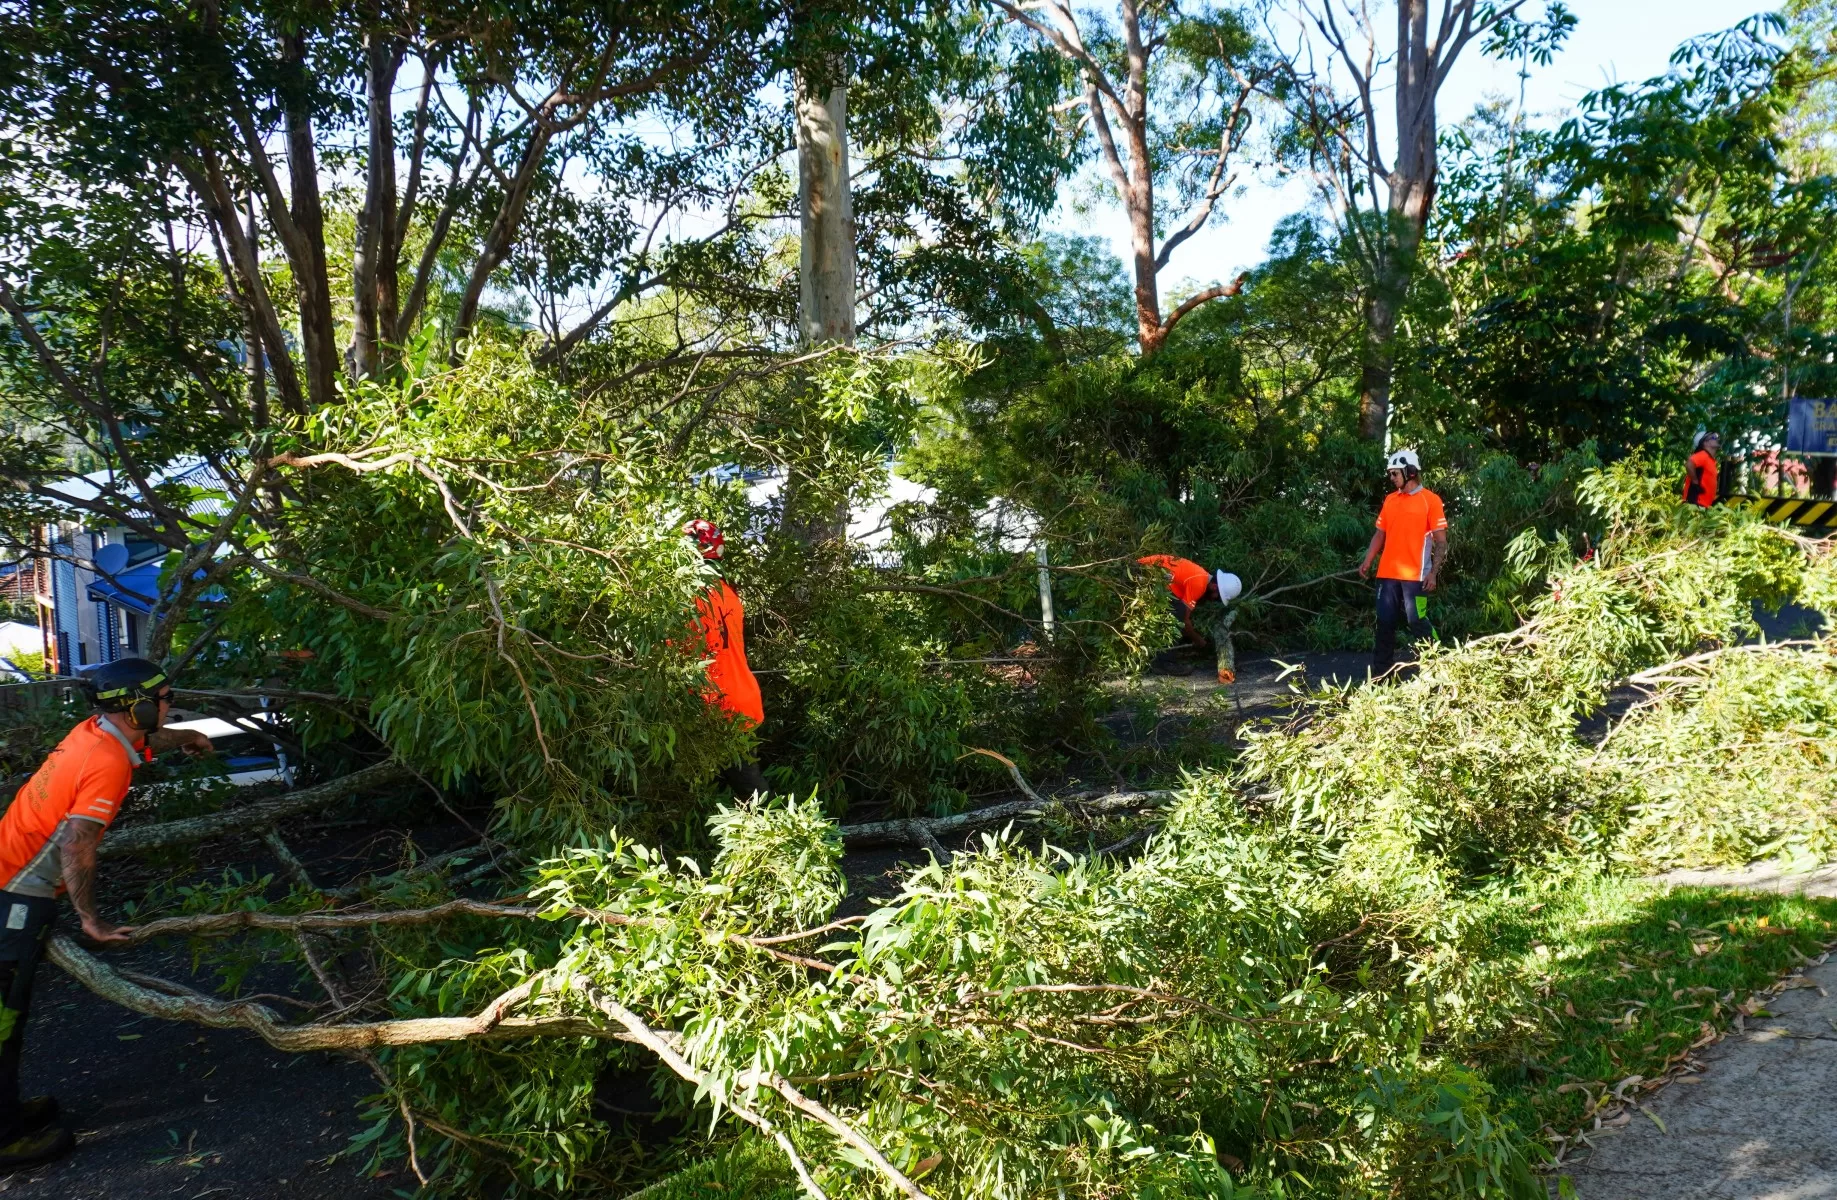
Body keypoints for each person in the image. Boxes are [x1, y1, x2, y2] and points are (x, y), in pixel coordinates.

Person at [0, 657, 210, 1169]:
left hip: (7, 876)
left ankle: (5, 1111)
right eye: (163, 700)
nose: (170, 704)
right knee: (2, 1017)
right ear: (137, 707)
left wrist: (184, 736)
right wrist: (90, 919)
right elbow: (77, 845)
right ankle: (3, 1140)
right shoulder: (107, 763)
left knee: (14, 1014)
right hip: (14, 897)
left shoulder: (96, 731)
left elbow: (144, 742)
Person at [684, 520, 766, 796]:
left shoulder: (686, 599)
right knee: (747, 786)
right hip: (742, 699)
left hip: (709, 706)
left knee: (733, 790)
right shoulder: (728, 593)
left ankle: (778, 834)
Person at [1358, 449, 1449, 678]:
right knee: (1385, 625)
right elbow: (1380, 534)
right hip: (1387, 575)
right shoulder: (1390, 500)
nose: (1391, 478)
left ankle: (1442, 664)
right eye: (1390, 474)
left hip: (1416, 577)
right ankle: (1381, 677)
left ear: (1409, 471)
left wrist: (1433, 573)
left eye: (1394, 473)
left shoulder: (1431, 500)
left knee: (1416, 621)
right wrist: (1368, 561)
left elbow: (1441, 542)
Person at [1137, 554, 1244, 683]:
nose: (1214, 599)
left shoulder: (1201, 576)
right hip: (1143, 574)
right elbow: (1184, 622)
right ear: (1215, 587)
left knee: (1177, 607)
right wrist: (1199, 641)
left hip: (1151, 576)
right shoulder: (1199, 584)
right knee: (1179, 613)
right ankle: (1164, 663)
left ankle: (1156, 653)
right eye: (1217, 597)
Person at [1682, 431, 1720, 507]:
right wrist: (1695, 481)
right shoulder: (1703, 455)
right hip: (1695, 503)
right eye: (1713, 437)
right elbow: (1689, 463)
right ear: (1705, 443)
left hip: (1703, 505)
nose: (1717, 439)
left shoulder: (1710, 460)